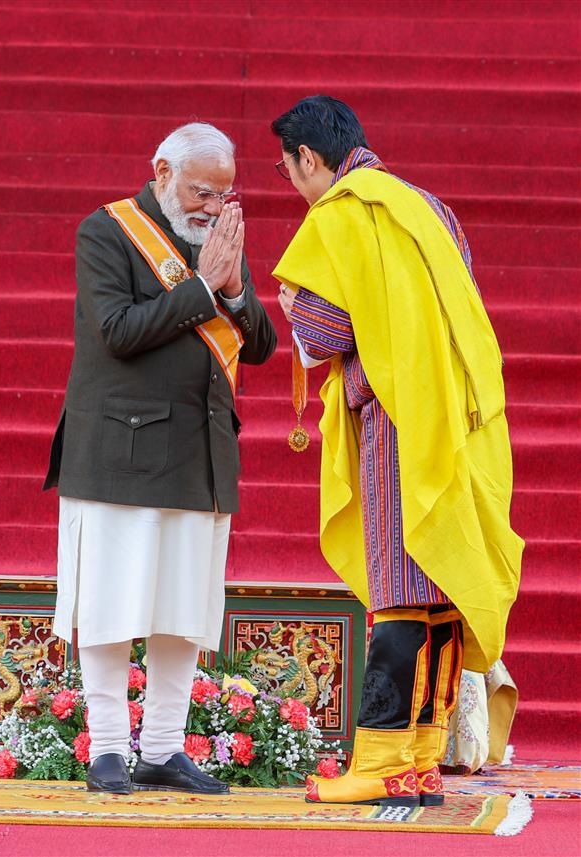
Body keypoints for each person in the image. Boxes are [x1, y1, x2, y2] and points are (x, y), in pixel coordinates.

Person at [272, 96, 523, 807]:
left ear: (310, 159)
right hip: (452, 414)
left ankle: (381, 758)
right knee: (437, 589)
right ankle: (419, 756)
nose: (295, 186)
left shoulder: (341, 214)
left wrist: (292, 308)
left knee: (399, 594)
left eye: (290, 172)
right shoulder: (429, 209)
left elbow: (322, 331)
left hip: (395, 419)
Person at [43, 122, 277, 795]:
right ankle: (110, 748)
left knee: (184, 610)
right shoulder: (107, 231)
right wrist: (203, 289)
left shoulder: (217, 240)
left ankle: (166, 748)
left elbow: (256, 343)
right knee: (113, 606)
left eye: (224, 194)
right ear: (163, 171)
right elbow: (116, 331)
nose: (212, 206)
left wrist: (232, 291)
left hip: (200, 451)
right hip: (120, 452)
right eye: (203, 191)